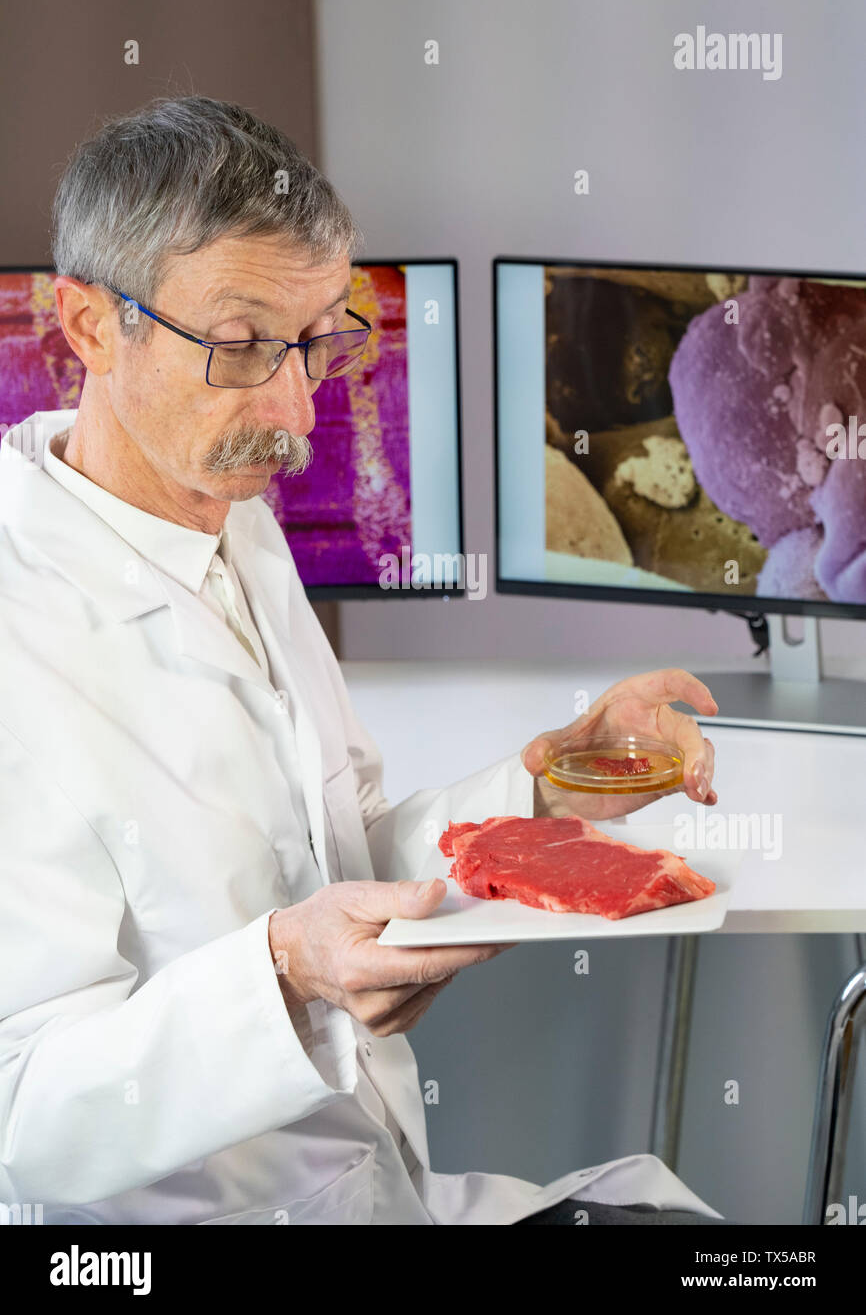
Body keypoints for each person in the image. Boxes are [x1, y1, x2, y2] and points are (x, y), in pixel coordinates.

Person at [0, 96, 727, 1226]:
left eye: (315, 343)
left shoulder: (226, 512)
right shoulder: (22, 634)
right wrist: (284, 974)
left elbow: (340, 847)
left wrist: (538, 782)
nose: (294, 407)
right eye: (242, 347)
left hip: (375, 1193)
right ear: (90, 325)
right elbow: (23, 1118)